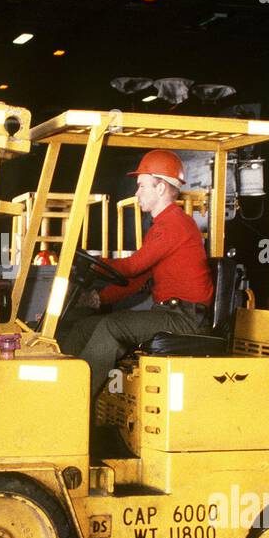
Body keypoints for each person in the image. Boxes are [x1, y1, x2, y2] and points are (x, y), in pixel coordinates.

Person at [57, 149, 214, 402]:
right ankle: (56, 387)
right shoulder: (163, 226)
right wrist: (98, 298)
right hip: (171, 313)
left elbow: (131, 267)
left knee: (111, 326)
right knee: (85, 326)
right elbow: (137, 279)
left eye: (141, 186)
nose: (137, 193)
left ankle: (73, 402)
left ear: (160, 188)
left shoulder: (174, 224)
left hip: (185, 319)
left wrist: (92, 263)